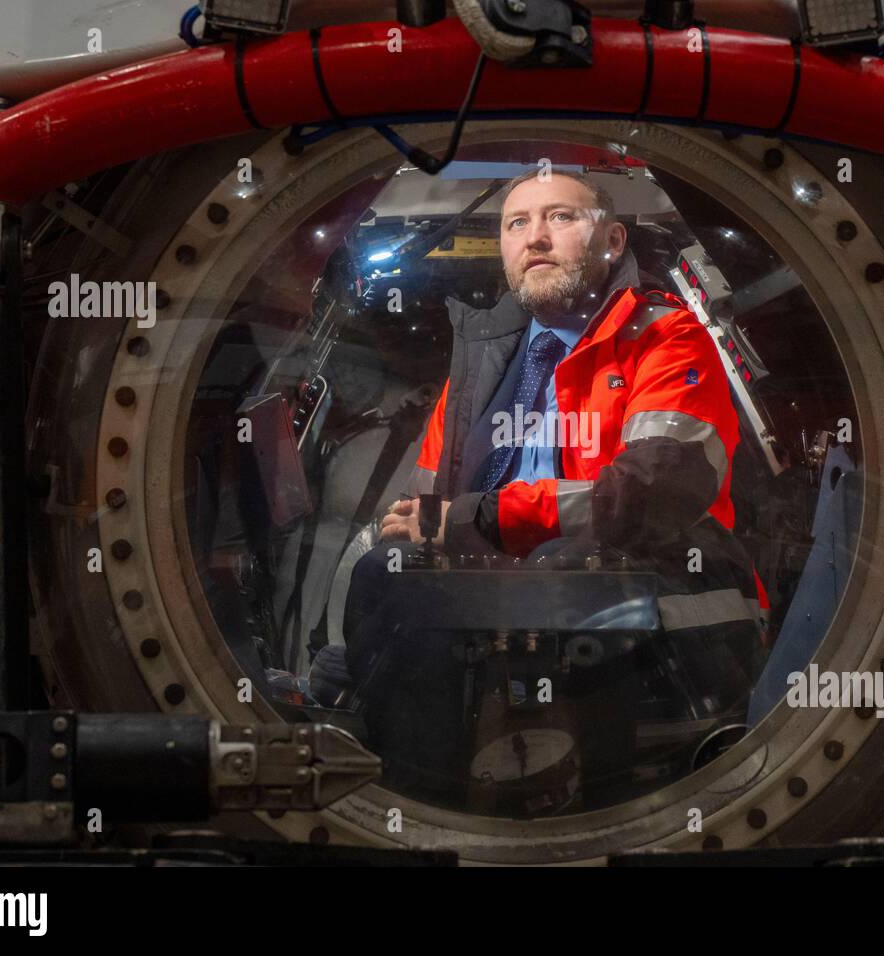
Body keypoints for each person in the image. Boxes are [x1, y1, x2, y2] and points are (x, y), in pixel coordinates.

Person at [312, 168, 765, 804]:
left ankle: (600, 818)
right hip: (500, 581)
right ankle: (419, 809)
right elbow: (428, 509)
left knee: (569, 568)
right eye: (516, 223)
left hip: (649, 575)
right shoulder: (477, 363)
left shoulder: (666, 337)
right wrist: (436, 529)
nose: (536, 238)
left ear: (610, 240)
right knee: (389, 568)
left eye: (560, 217)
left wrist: (489, 517)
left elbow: (653, 493)